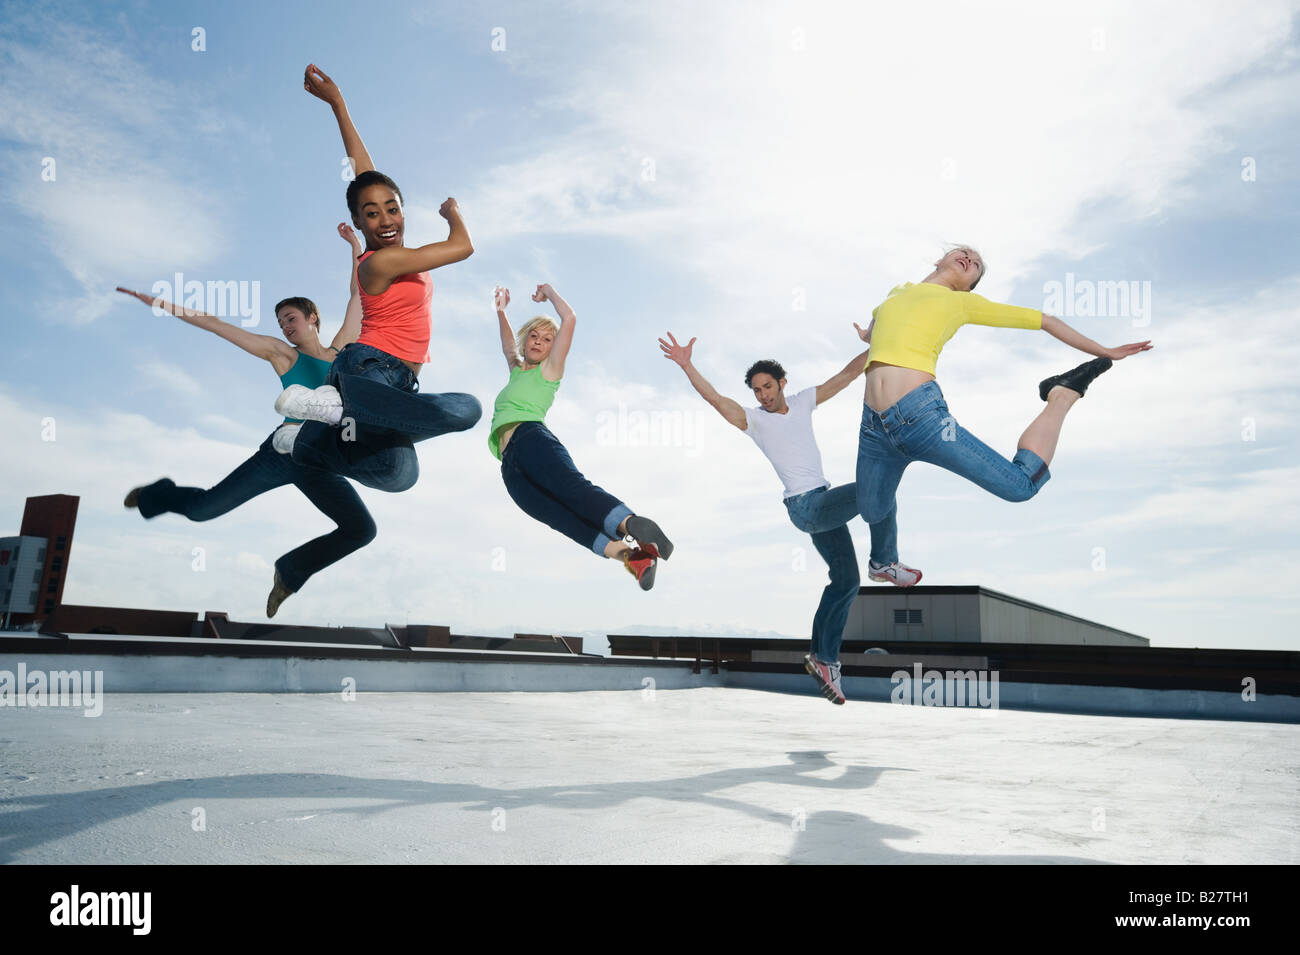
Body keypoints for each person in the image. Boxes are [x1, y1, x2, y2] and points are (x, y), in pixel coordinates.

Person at [855, 245, 1153, 611]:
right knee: (871, 509)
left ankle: (1061, 395)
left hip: (924, 419)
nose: (970, 258)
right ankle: (883, 561)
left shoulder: (962, 303)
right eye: (963, 252)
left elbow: (1044, 321)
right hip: (874, 428)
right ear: (939, 259)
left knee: (1019, 487)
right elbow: (874, 331)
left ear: (969, 285)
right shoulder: (897, 294)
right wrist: (866, 335)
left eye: (976, 264)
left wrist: (1103, 350)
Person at [119, 224, 376, 617]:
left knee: (362, 530)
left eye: (291, 318)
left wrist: (355, 246)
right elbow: (216, 325)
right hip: (283, 453)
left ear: (312, 318)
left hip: (320, 462)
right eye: (281, 323)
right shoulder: (281, 354)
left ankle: (290, 572)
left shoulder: (342, 350)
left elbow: (359, 295)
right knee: (203, 510)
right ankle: (159, 493)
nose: (286, 327)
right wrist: (160, 304)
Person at [660, 329, 901, 705]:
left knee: (845, 582)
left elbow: (847, 374)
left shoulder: (804, 401)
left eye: (767, 387)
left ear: (782, 383)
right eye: (756, 390)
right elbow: (714, 398)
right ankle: (884, 560)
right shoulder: (754, 421)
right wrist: (687, 365)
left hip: (822, 503)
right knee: (878, 486)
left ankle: (824, 659)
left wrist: (877, 346)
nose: (763, 395)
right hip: (806, 508)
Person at [275, 63, 481, 492]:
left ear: (402, 209)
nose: (385, 218)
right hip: (370, 369)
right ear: (358, 220)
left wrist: (338, 105)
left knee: (398, 474)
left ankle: (309, 440)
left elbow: (364, 172)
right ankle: (342, 401)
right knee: (467, 410)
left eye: (392, 207)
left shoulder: (399, 253)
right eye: (371, 213)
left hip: (398, 385)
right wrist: (452, 213)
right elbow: (463, 247)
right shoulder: (377, 263)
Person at [491, 284, 672, 589]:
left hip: (531, 439)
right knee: (561, 518)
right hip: (510, 467)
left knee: (573, 490)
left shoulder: (549, 371)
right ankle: (635, 559)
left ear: (553, 348)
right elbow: (509, 347)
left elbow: (570, 318)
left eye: (548, 339)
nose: (539, 341)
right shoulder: (518, 371)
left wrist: (548, 291)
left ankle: (632, 523)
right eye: (534, 336)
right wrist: (500, 311)